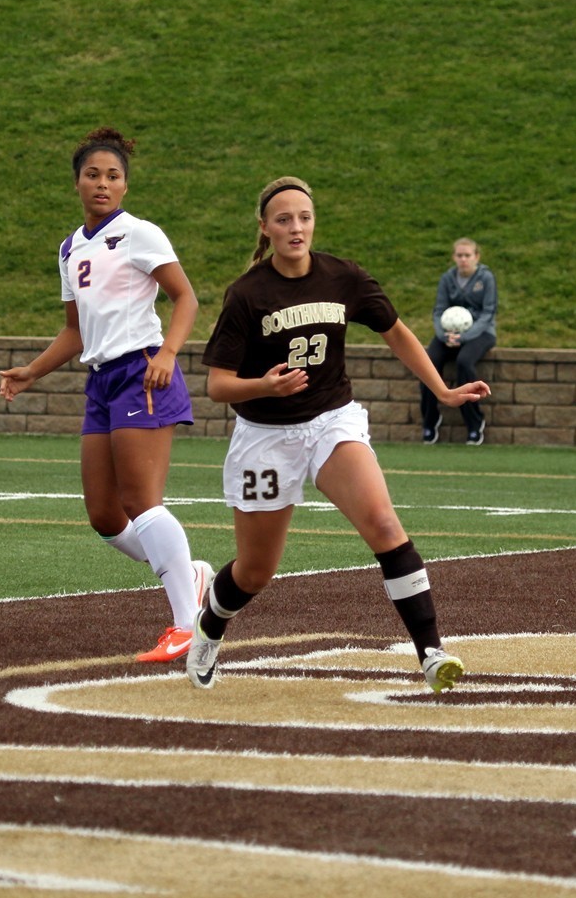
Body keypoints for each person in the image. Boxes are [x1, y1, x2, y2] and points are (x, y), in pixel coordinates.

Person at [185, 176, 491, 693]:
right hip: (266, 435)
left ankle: (432, 654)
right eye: (283, 219)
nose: (296, 227)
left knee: (384, 523)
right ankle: (210, 624)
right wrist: (266, 385)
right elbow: (217, 386)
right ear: (265, 228)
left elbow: (395, 330)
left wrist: (442, 389)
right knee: (255, 573)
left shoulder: (343, 277)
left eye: (303, 217)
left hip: (332, 420)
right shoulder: (247, 294)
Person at [0, 127, 212, 663]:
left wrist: (166, 355)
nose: (102, 183)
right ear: (76, 182)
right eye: (92, 174)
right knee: (104, 516)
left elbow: (186, 299)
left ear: (124, 186)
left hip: (144, 373)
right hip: (101, 383)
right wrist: (32, 371)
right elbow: (75, 331)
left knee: (142, 502)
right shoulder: (70, 248)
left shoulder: (140, 233)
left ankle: (188, 624)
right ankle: (190, 574)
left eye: (113, 176)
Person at [421, 238, 498, 445]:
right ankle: (430, 421)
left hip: (481, 334)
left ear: (476, 257)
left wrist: (465, 337)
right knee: (428, 362)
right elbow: (438, 310)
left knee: (464, 362)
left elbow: (488, 313)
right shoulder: (447, 279)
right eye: (460, 255)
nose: (463, 259)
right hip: (448, 335)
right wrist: (442, 335)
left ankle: (474, 424)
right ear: (454, 257)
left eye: (468, 255)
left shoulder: (486, 278)